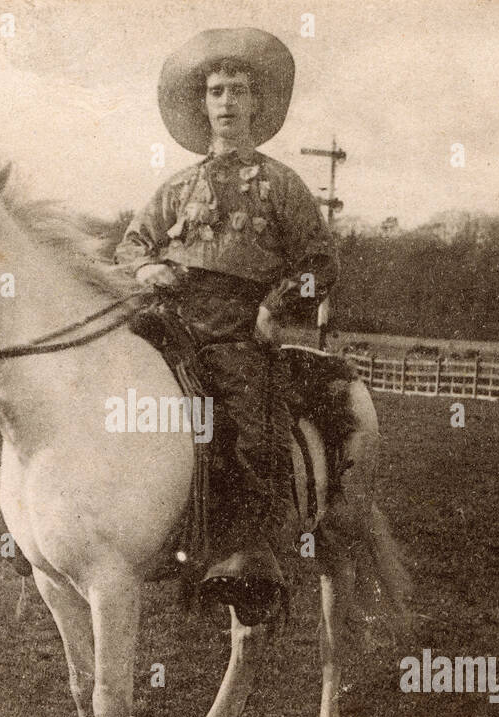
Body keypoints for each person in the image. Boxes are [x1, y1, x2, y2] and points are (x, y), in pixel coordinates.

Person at [114, 27, 337, 625]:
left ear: (256, 104)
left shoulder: (282, 185)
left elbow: (321, 264)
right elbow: (129, 248)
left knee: (254, 433)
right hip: (170, 322)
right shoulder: (176, 186)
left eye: (238, 90)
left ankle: (249, 555)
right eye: (216, 91)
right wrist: (151, 268)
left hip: (241, 331)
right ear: (203, 104)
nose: (227, 102)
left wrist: (278, 305)